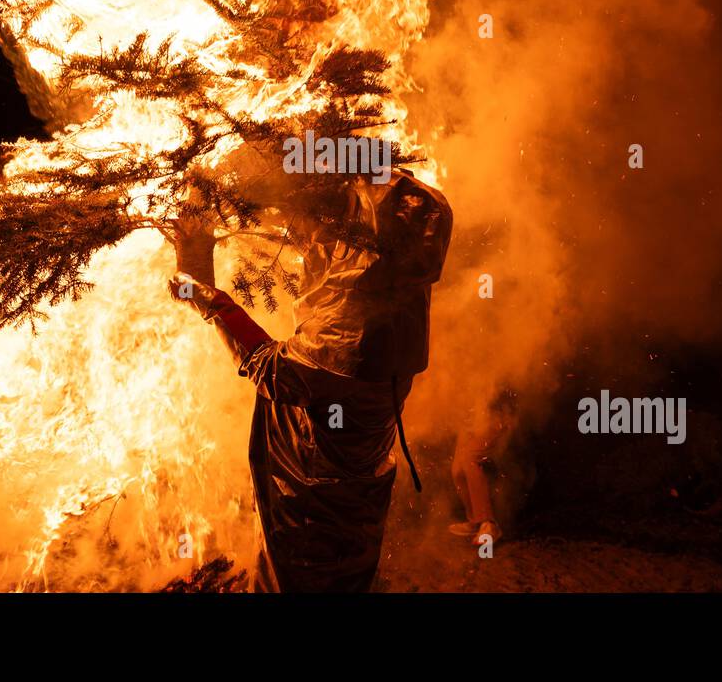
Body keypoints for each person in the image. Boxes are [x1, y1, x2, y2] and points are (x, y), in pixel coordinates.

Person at [167, 168, 452, 592]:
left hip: (312, 502)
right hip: (355, 491)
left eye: (338, 235)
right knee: (347, 573)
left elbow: (275, 373)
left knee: (305, 578)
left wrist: (216, 305)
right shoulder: (396, 290)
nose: (320, 241)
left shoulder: (355, 330)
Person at [450, 385, 518, 546]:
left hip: (494, 416)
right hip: (470, 417)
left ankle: (489, 524)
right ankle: (475, 521)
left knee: (469, 458)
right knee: (458, 469)